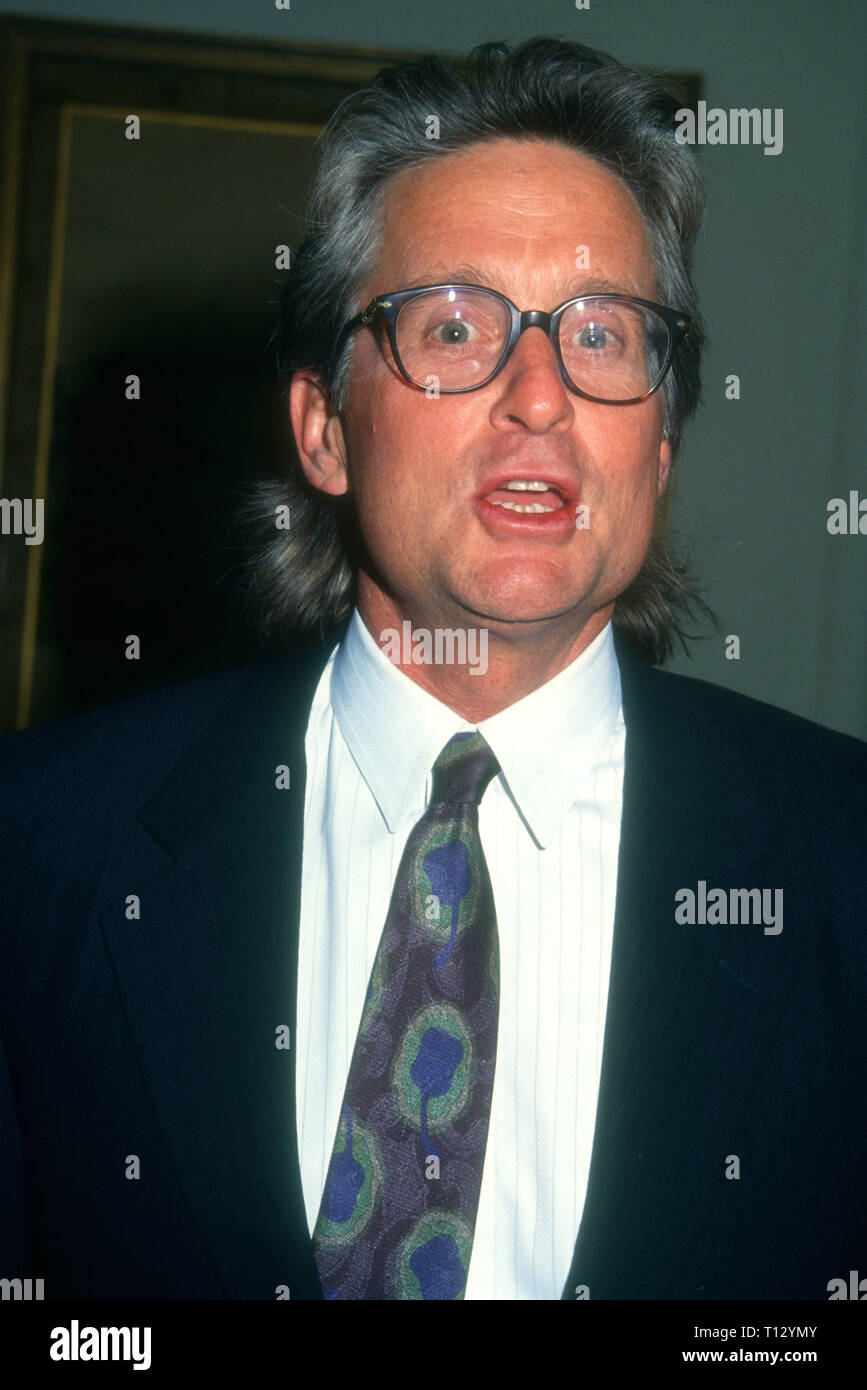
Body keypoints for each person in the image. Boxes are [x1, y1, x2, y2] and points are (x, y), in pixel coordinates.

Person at [1, 37, 865, 1303]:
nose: (540, 396)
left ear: (661, 446)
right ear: (325, 427)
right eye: (456, 324)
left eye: (605, 333)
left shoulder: (842, 857)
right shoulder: (39, 845)